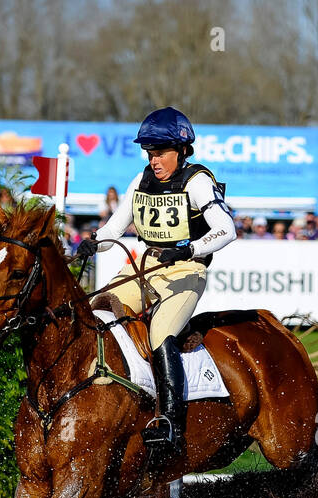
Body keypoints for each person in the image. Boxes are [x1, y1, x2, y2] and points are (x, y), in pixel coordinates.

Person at [79, 106, 236, 460]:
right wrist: (91, 243)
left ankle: (170, 423)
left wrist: (188, 250)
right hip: (144, 268)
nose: (154, 159)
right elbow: (113, 231)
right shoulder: (141, 182)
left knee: (160, 332)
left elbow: (228, 230)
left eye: (161, 152)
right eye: (150, 152)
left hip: (185, 272)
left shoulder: (197, 182)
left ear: (181, 151)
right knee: (96, 313)